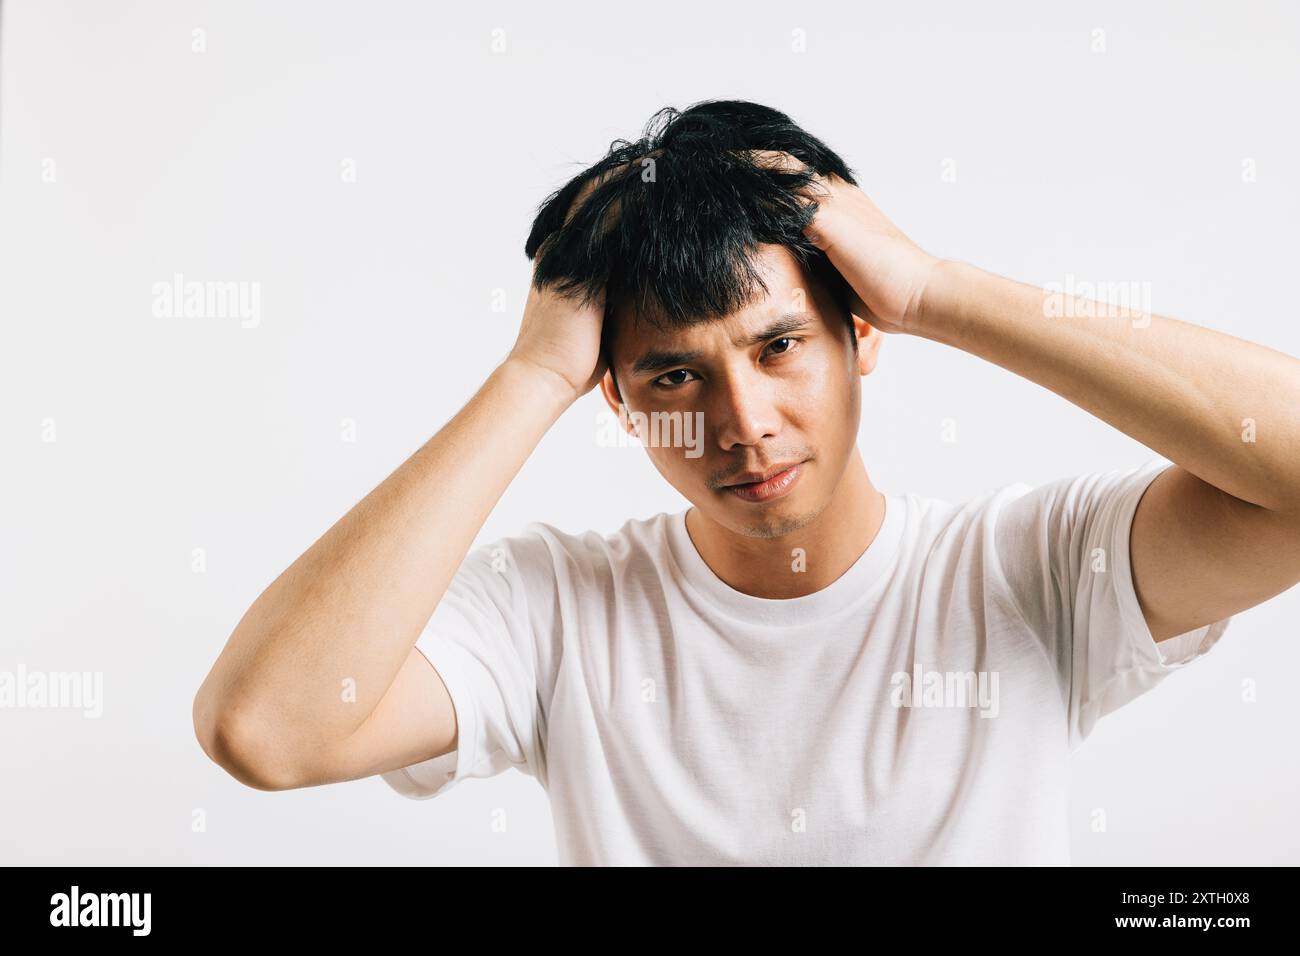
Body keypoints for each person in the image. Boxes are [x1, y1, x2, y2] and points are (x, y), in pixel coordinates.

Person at [193, 100, 1300, 865]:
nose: (742, 423)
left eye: (779, 347)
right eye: (675, 374)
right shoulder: (554, 611)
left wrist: (938, 288)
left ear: (860, 335)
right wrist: (532, 374)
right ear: (618, 403)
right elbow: (265, 728)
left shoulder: (1030, 568)